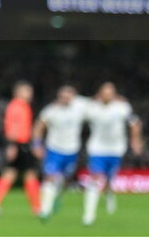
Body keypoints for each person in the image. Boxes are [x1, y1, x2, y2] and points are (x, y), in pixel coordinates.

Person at [82, 82, 143, 226]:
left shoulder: (122, 107)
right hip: (97, 148)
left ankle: (109, 193)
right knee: (95, 178)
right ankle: (89, 215)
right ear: (100, 93)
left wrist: (135, 141)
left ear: (114, 94)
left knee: (109, 178)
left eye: (110, 93)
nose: (107, 95)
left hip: (116, 149)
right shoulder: (92, 108)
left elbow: (135, 123)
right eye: (104, 92)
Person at [0, 81, 40, 218]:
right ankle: (37, 208)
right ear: (18, 92)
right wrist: (12, 145)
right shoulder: (17, 106)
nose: (30, 94)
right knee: (29, 174)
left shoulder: (18, 106)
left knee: (10, 174)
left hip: (19, 144)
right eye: (27, 91)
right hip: (20, 144)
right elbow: (13, 127)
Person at [32, 85, 88, 221]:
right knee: (50, 177)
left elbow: (99, 102)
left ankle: (55, 196)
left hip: (72, 150)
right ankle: (45, 210)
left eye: (69, 95)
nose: (66, 98)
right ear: (59, 96)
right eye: (63, 96)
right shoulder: (51, 110)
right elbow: (39, 126)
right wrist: (36, 144)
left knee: (64, 180)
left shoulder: (81, 106)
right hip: (54, 149)